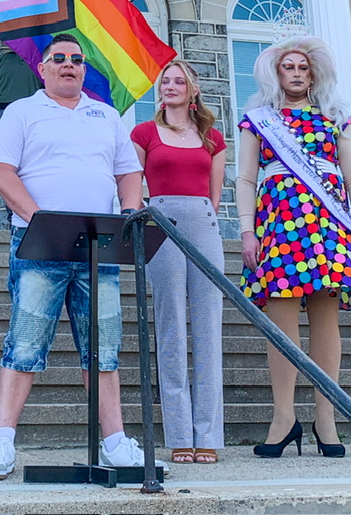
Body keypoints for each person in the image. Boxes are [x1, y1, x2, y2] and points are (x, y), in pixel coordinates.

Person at [0, 33, 146, 481]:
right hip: (40, 243)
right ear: (43, 68)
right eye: (59, 58)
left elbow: (128, 171)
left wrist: (129, 212)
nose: (69, 64)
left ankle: (115, 443)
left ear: (83, 70)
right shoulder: (21, 111)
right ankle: (3, 442)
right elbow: (1, 171)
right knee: (26, 340)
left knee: (103, 346)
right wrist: (40, 220)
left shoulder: (107, 115)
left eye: (76, 59)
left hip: (100, 243)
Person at [236, 36, 351, 459]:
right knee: (281, 320)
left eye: (303, 67)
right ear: (276, 74)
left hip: (328, 225)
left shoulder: (336, 118)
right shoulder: (258, 120)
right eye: (288, 67)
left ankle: (326, 418)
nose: (296, 73)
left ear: (313, 73)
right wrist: (247, 231)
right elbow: (244, 179)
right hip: (279, 223)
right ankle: (283, 417)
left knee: (325, 320)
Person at [131, 59, 227, 464]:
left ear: (193, 90)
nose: (170, 86)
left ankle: (208, 433)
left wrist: (202, 219)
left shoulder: (213, 137)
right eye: (165, 81)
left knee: (208, 327)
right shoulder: (144, 132)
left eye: (178, 81)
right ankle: (178, 435)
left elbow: (215, 194)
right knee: (171, 326)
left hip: (203, 222)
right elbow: (131, 183)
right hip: (161, 220)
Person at [0, 47, 41, 144]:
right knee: (1, 157)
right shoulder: (3, 59)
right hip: (2, 114)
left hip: (32, 116)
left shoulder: (42, 62)